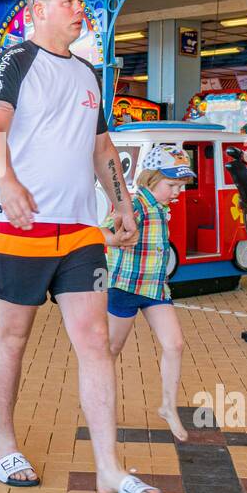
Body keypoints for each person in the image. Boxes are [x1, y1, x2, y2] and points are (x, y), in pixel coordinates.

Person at [0, 0, 165, 493]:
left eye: (81, 1)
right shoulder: (15, 61)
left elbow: (102, 149)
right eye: (68, 0)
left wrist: (124, 204)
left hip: (82, 232)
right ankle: (3, 443)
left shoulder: (88, 73)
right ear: (37, 10)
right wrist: (6, 179)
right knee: (13, 337)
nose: (79, 8)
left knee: (94, 342)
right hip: (21, 228)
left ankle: (109, 471)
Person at [101, 144, 195, 443]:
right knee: (111, 350)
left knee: (175, 344)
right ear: (150, 179)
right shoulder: (136, 205)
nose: (178, 191)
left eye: (181, 185)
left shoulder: (162, 208)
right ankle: (101, 405)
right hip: (125, 286)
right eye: (172, 185)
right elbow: (102, 231)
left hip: (155, 288)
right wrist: (115, 240)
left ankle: (168, 406)